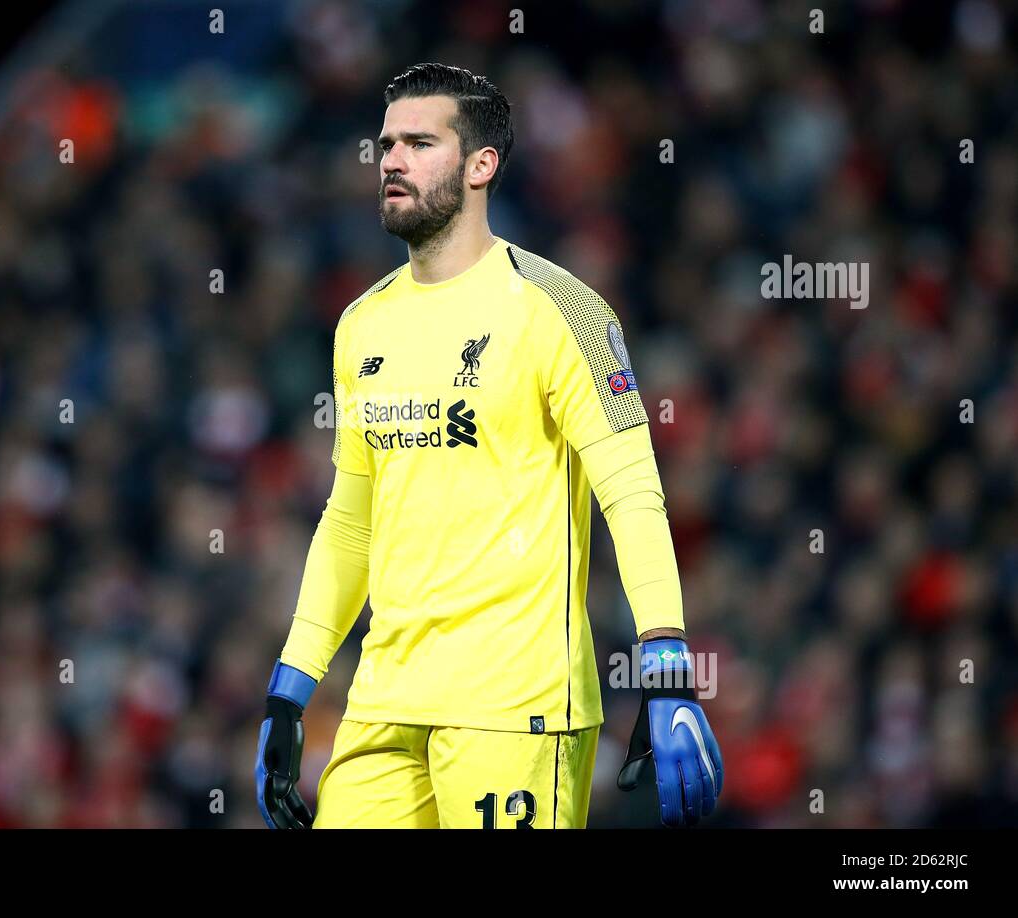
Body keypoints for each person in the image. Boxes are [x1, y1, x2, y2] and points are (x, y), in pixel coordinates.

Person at [256, 62, 723, 829]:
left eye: (419, 142)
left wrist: (666, 667)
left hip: (517, 708)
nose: (392, 161)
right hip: (384, 705)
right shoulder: (361, 325)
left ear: (482, 165)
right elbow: (351, 520)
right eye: (385, 145)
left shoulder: (563, 309)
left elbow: (633, 494)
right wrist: (291, 687)